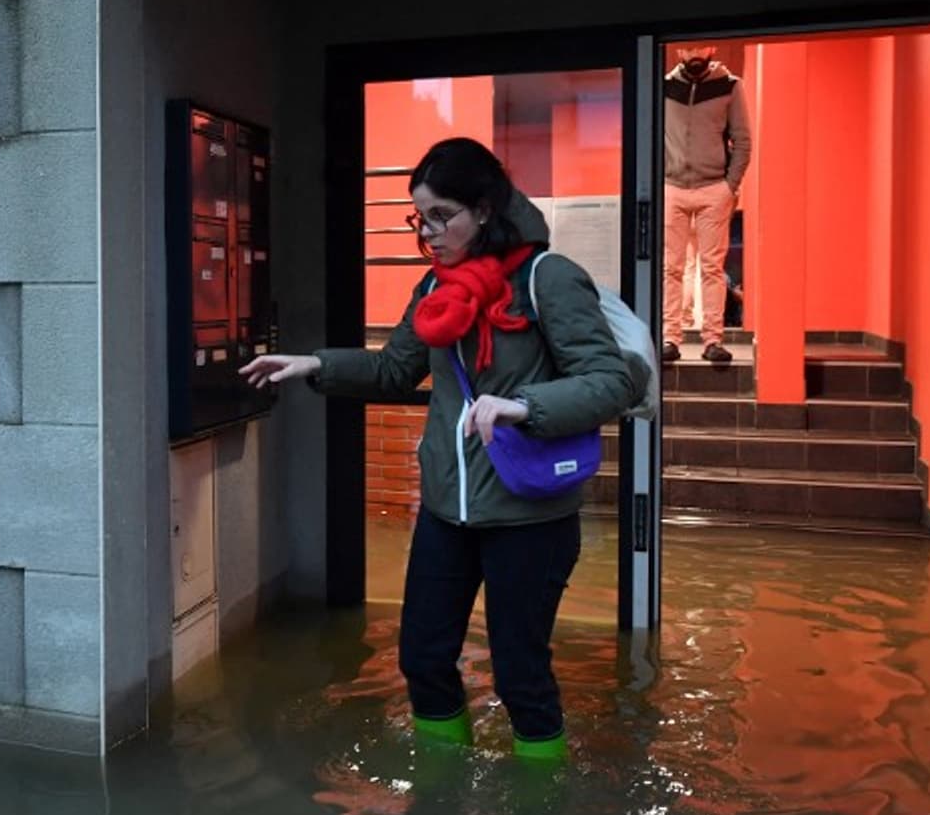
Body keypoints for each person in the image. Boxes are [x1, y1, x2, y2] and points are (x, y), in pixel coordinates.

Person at [241, 138, 638, 760]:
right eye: (419, 218)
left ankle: (539, 800)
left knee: (520, 674)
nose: (427, 233)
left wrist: (524, 406)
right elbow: (394, 371)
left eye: (441, 216)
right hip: (447, 511)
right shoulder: (436, 286)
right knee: (423, 658)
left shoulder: (548, 279)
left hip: (528, 516)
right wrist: (314, 363)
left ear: (483, 209)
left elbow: (611, 381)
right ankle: (440, 790)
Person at [663, 45, 753, 365]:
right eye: (689, 49)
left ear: (712, 49)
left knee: (712, 267)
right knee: (670, 267)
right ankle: (670, 337)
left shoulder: (729, 85)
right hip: (672, 187)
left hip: (714, 188)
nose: (695, 53)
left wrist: (729, 186)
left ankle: (713, 339)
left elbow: (743, 141)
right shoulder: (664, 87)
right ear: (679, 53)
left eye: (700, 47)